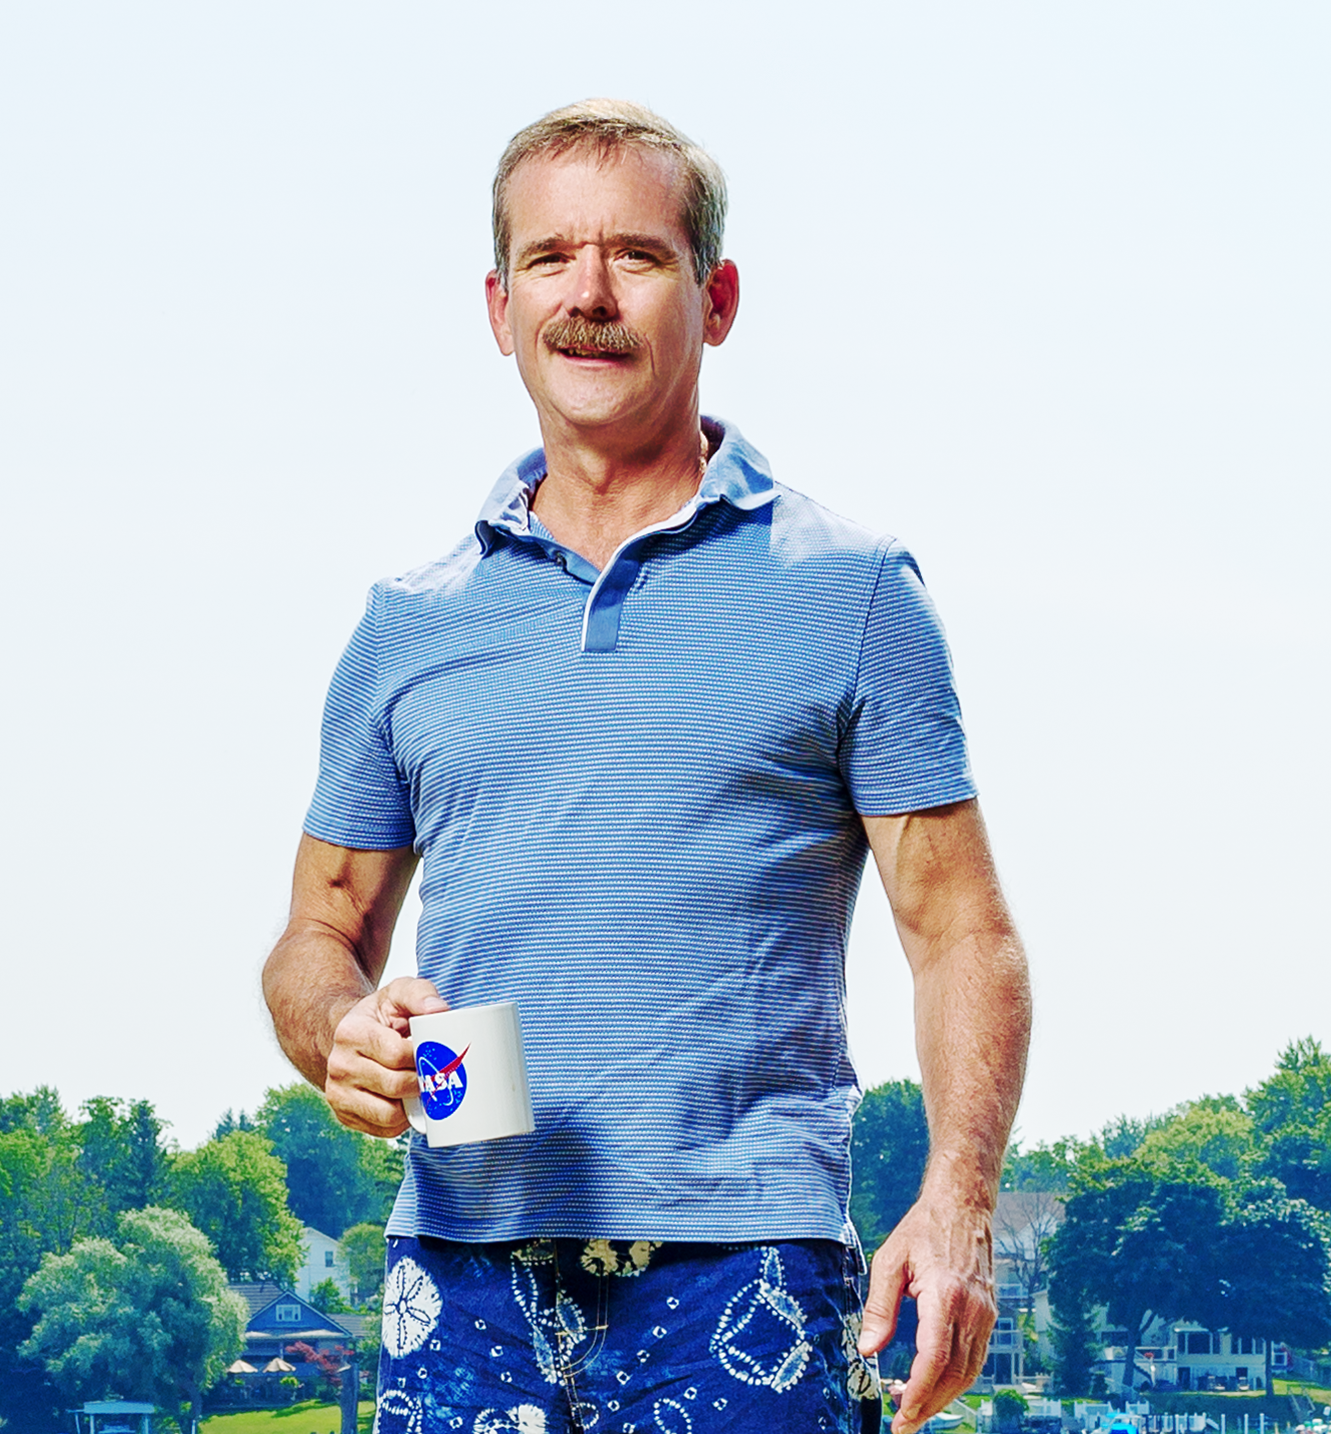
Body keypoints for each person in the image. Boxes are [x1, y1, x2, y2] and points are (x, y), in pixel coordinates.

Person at [261, 98, 1033, 1434]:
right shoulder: (409, 623)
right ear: (499, 308)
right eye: (550, 258)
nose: (590, 295)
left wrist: (957, 1202)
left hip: (746, 1267)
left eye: (637, 255)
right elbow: (316, 937)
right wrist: (342, 1032)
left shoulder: (851, 591)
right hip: (462, 1276)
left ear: (716, 298)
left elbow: (963, 931)